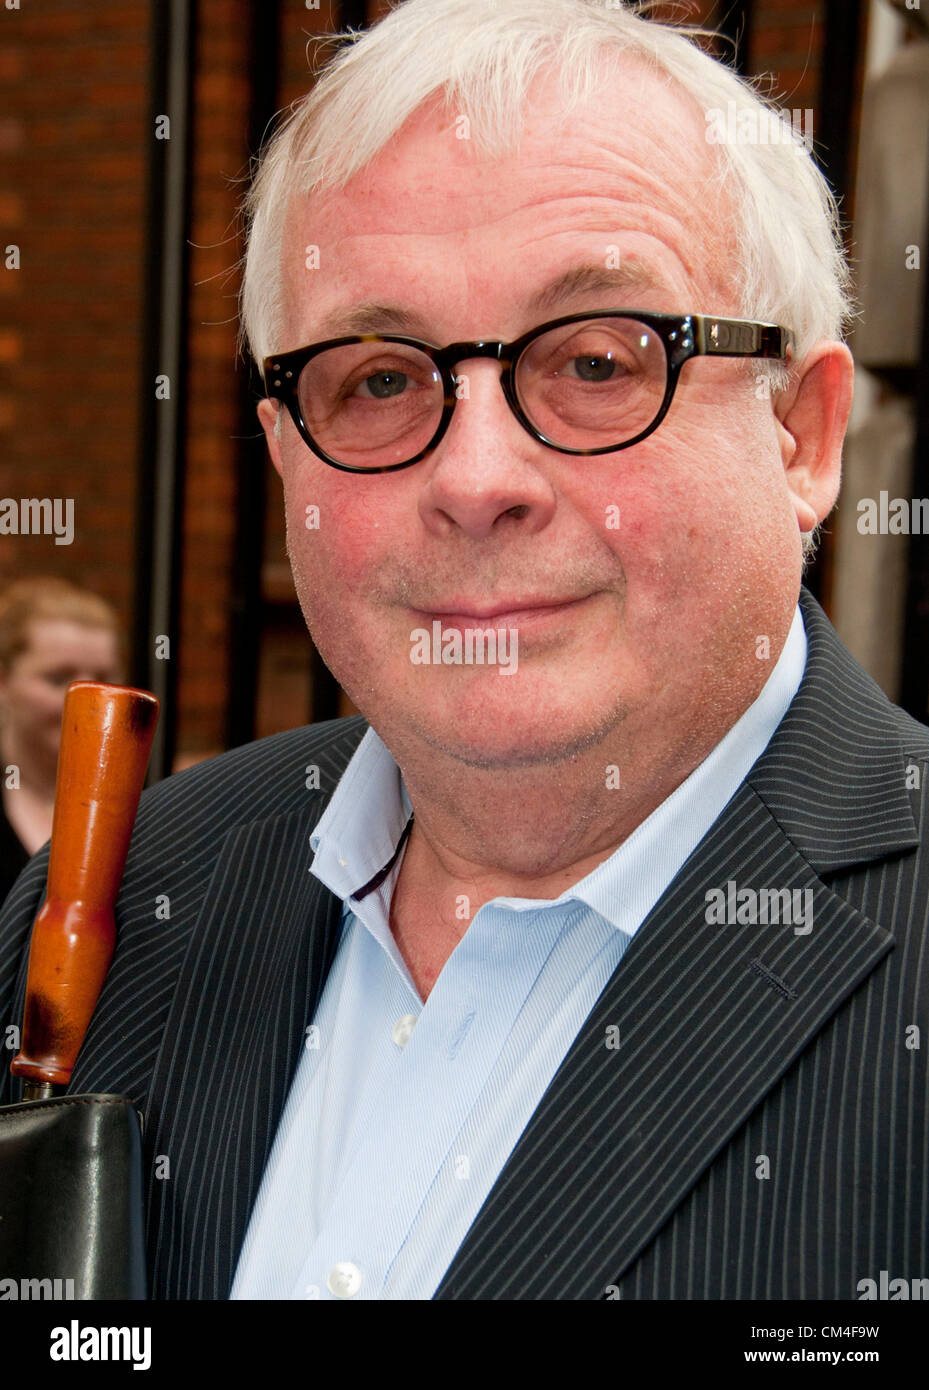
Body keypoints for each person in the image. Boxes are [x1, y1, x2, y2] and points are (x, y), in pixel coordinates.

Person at [1, 0, 926, 1301]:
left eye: (600, 360)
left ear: (802, 437)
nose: (477, 477)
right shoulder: (138, 894)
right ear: (283, 451)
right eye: (378, 379)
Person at [0, 577, 121, 905]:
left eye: (103, 678)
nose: (89, 701)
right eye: (57, 679)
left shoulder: (137, 803)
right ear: (4, 681)